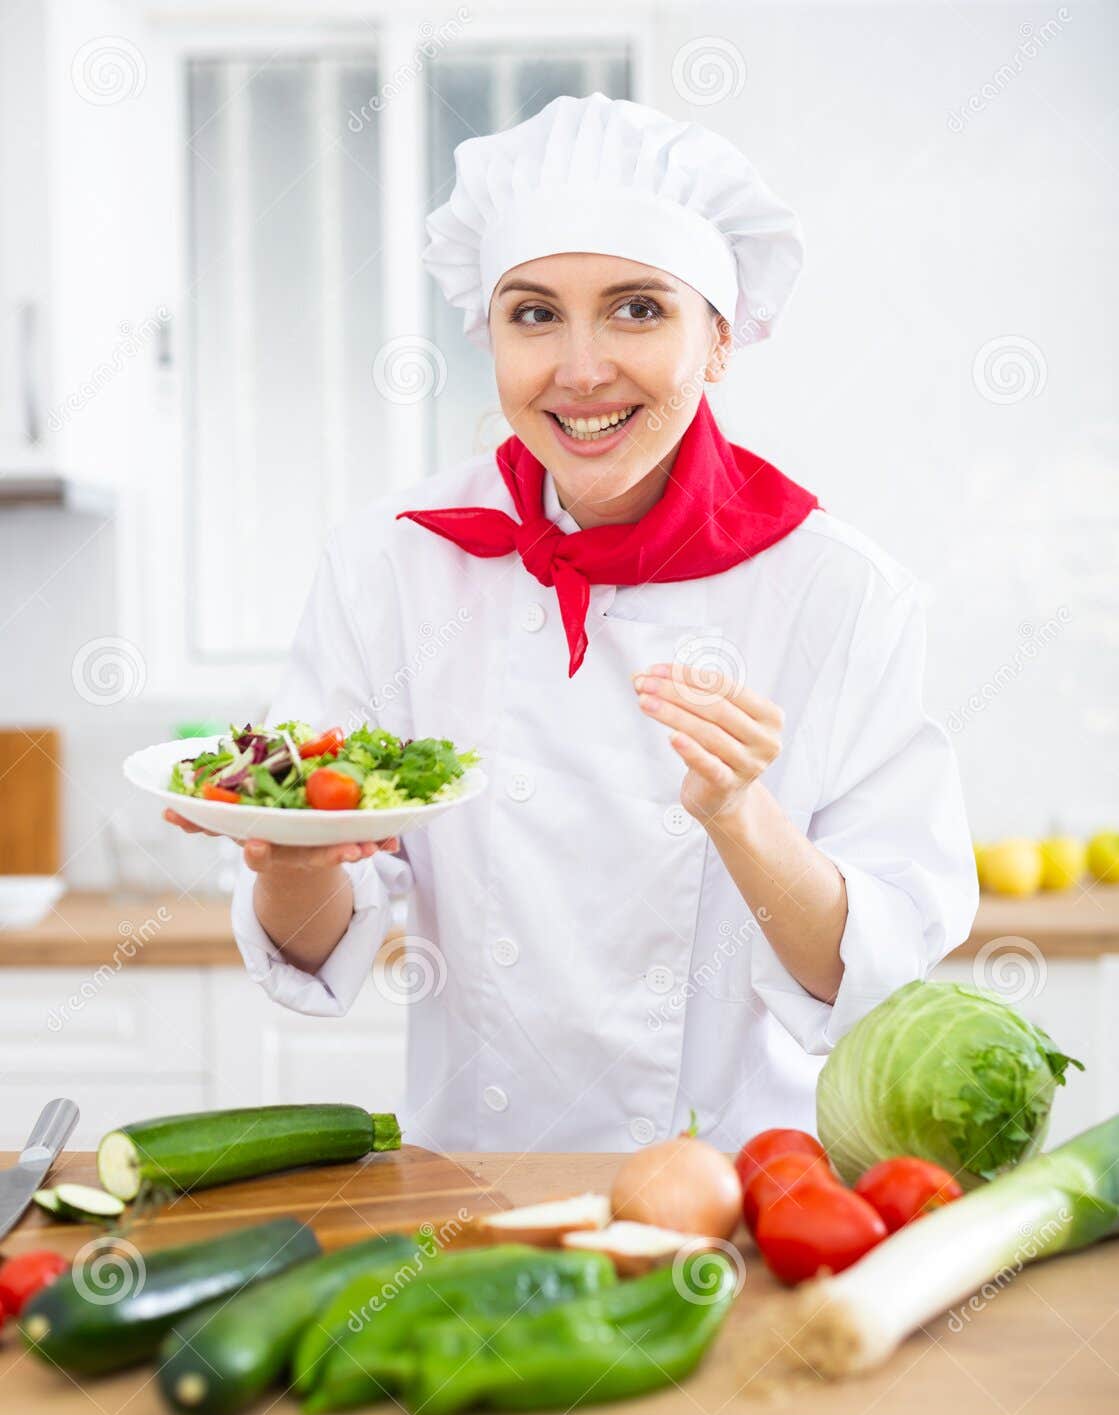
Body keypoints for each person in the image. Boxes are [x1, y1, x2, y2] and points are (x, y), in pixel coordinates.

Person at [165, 92, 978, 1155]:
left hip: (742, 1204)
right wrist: (291, 857)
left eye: (638, 308)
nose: (581, 368)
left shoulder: (840, 594)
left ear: (720, 338)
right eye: (535, 313)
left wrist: (741, 816)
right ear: (489, 334)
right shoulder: (391, 566)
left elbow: (866, 982)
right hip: (473, 1195)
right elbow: (317, 948)